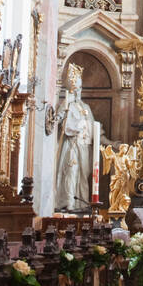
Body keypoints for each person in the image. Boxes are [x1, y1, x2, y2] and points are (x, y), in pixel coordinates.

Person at [54, 64, 94, 212]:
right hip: (71, 146)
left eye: (80, 88)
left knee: (83, 177)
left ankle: (81, 203)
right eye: (75, 89)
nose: (78, 91)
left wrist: (110, 143)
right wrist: (60, 113)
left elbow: (96, 131)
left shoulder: (85, 108)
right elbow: (57, 122)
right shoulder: (66, 105)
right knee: (71, 173)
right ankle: (69, 203)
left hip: (84, 147)